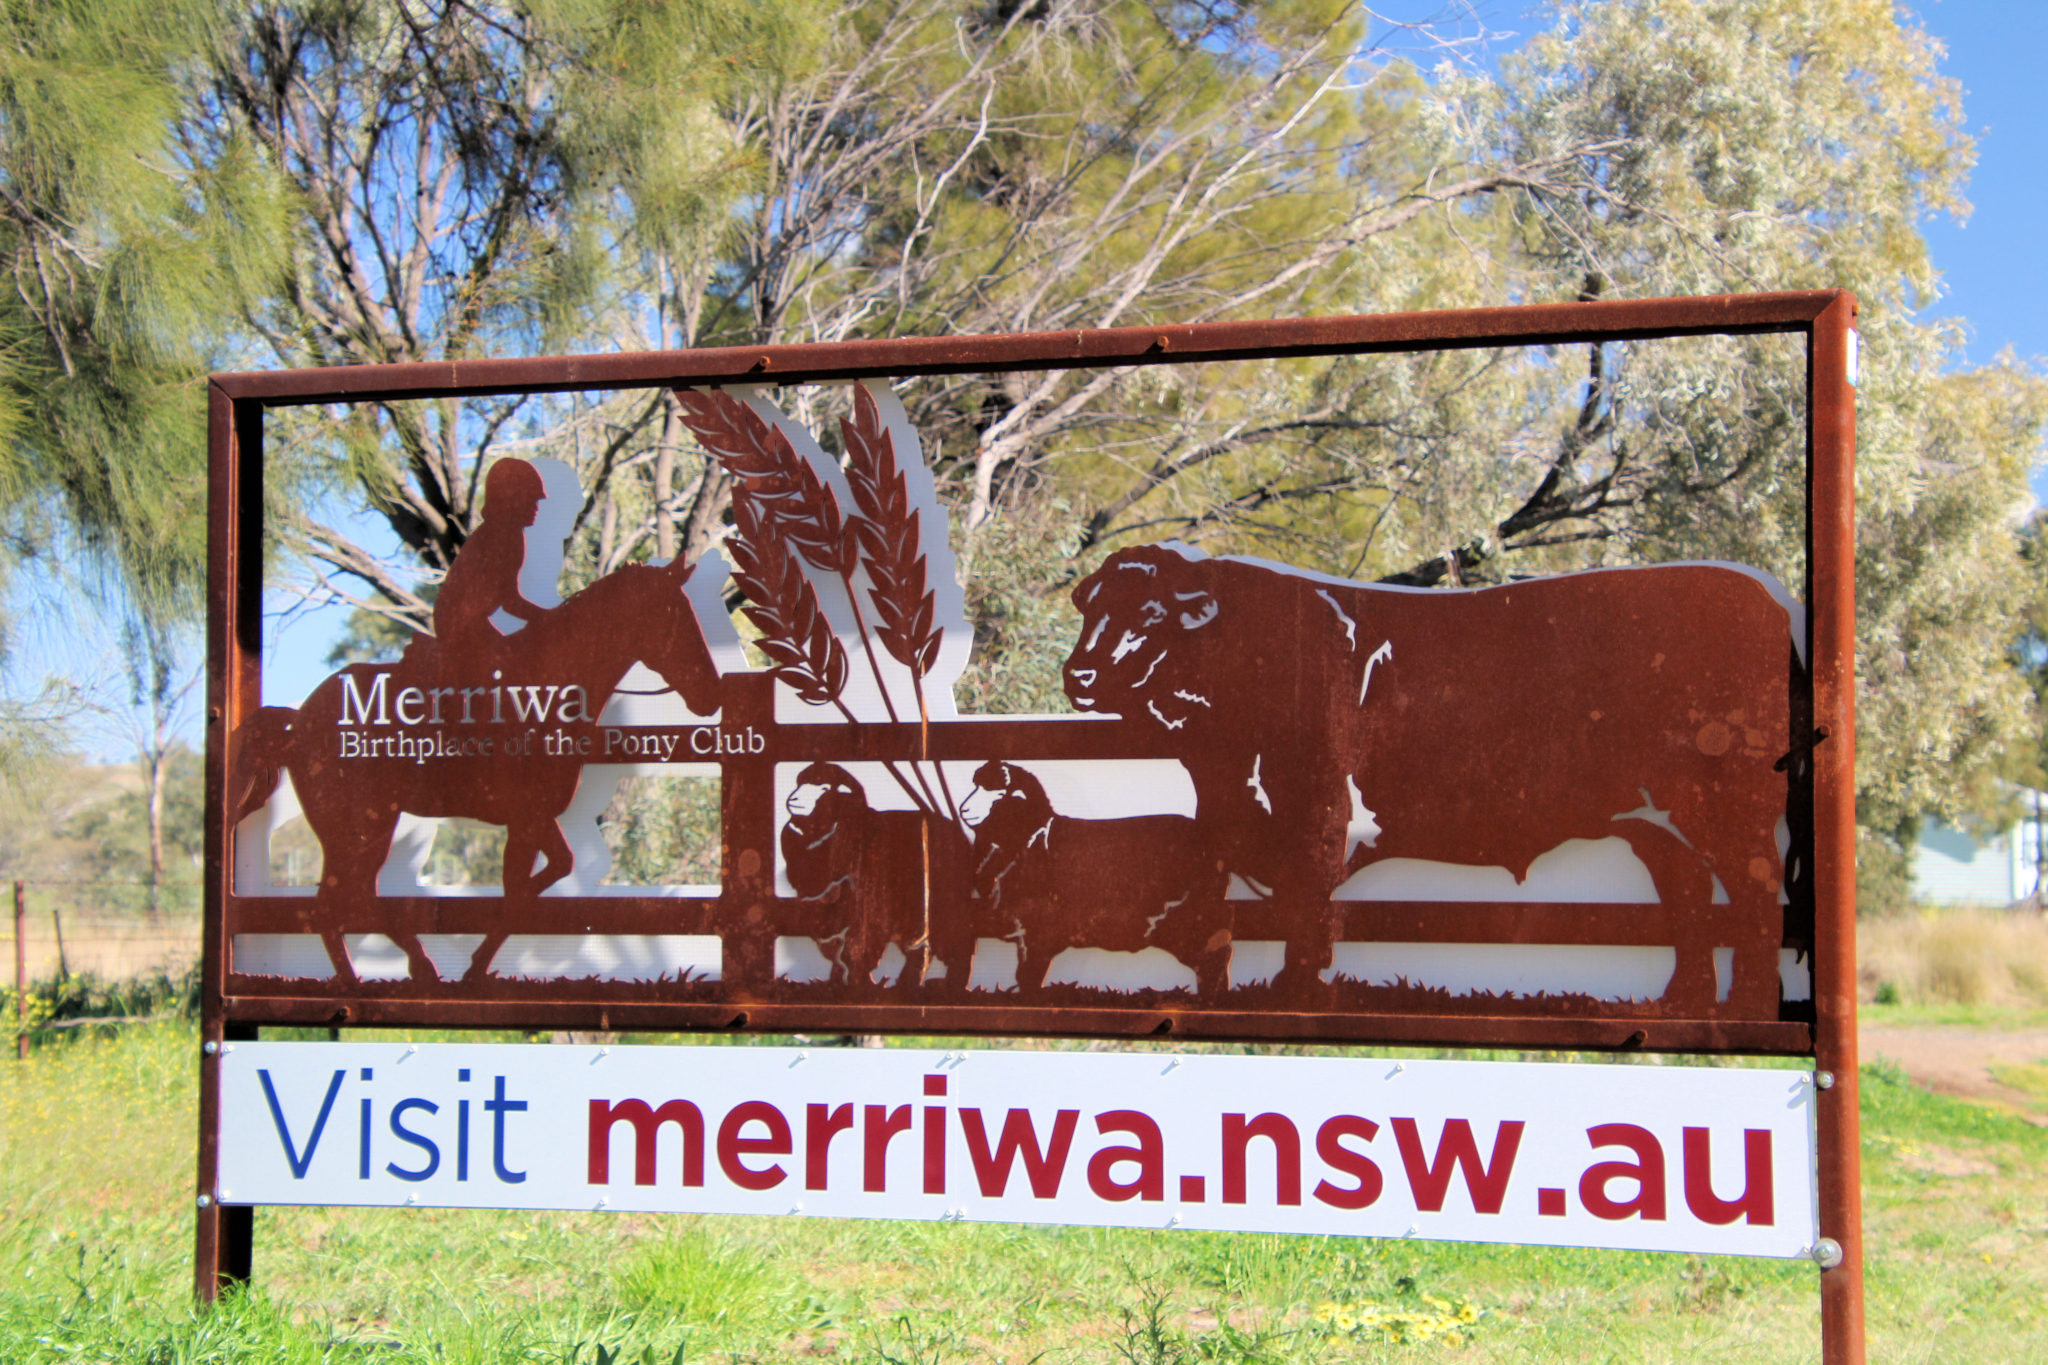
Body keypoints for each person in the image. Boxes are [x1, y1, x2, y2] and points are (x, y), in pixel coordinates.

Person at [419, 459, 549, 666]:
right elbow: (509, 601)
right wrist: (548, 617)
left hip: (472, 624)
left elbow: (507, 599)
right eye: (532, 498)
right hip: (462, 628)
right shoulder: (500, 536)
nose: (536, 507)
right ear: (513, 498)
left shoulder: (510, 535)